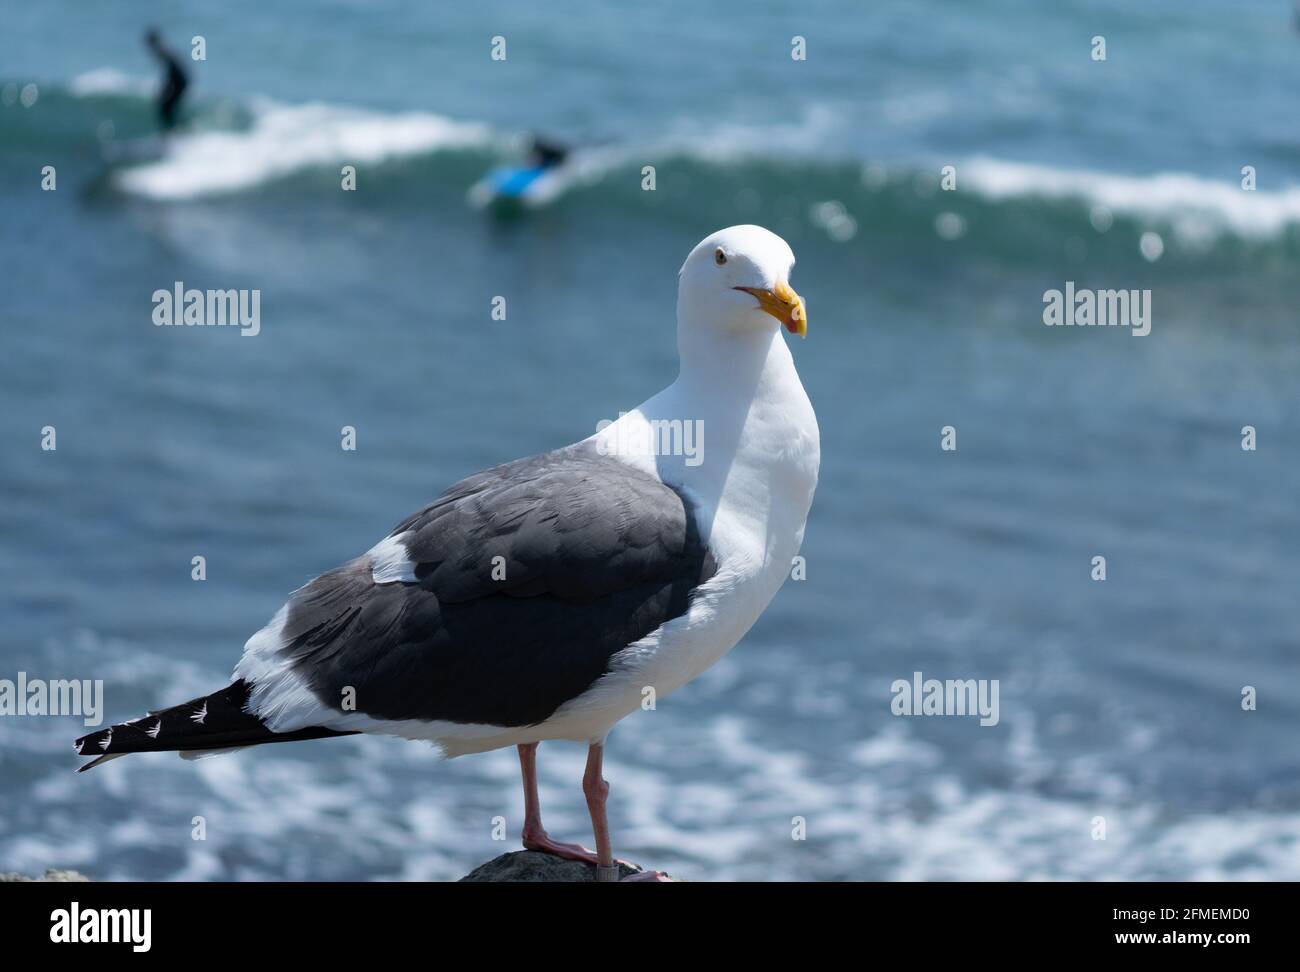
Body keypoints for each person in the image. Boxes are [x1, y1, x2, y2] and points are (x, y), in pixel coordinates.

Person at [144, 28, 189, 133]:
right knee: (167, 107)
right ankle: (177, 130)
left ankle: (175, 131)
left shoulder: (161, 50)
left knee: (166, 107)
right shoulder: (164, 49)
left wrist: (165, 88)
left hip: (180, 81)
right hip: (180, 80)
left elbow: (171, 71)